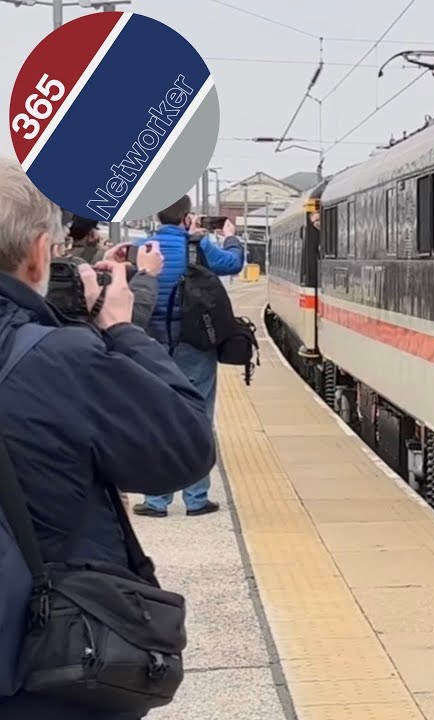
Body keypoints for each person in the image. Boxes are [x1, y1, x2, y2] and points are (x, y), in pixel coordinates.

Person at [0, 158, 214, 719]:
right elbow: (183, 447)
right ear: (40, 252)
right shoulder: (57, 358)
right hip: (39, 669)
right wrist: (119, 328)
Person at [131, 195, 245, 519]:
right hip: (195, 343)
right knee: (197, 416)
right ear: (186, 216)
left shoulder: (145, 248)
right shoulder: (197, 247)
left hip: (150, 345)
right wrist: (229, 237)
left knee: (156, 419)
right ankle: (196, 498)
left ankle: (156, 501)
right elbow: (233, 263)